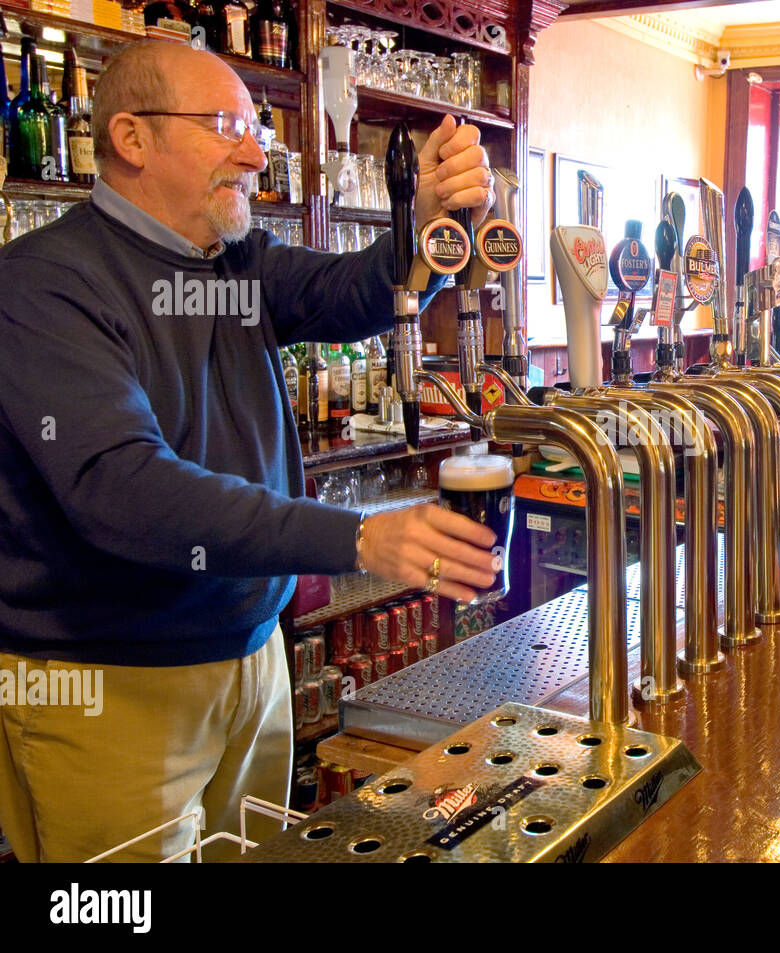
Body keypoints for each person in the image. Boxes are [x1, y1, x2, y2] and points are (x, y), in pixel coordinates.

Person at [0, 41, 500, 862]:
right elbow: (122, 488)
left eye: (255, 126)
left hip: (252, 657)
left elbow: (361, 289)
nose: (253, 149)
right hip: (110, 680)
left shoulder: (234, 265)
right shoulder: (46, 282)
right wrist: (356, 535)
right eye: (226, 124)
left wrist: (439, 216)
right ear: (132, 138)